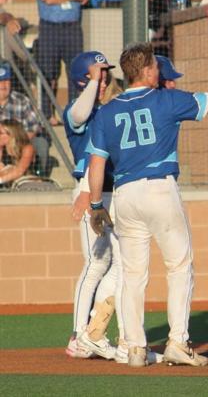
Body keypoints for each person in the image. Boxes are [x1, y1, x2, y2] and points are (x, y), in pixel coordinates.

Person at [86, 40, 208, 367]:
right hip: (160, 189)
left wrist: (97, 205)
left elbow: (97, 165)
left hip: (125, 195)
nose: (159, 70)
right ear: (145, 71)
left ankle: (134, 348)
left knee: (132, 275)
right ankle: (178, 342)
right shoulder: (165, 100)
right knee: (179, 266)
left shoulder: (107, 112)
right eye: (155, 65)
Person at [62, 51, 122, 361]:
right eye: (97, 74)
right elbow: (80, 115)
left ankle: (93, 331)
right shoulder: (75, 109)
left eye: (106, 74)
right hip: (91, 194)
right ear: (81, 79)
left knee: (121, 266)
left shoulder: (111, 109)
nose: (104, 79)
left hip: (115, 193)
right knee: (97, 264)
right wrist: (86, 191)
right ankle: (78, 335)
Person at [36, 0, 91, 124]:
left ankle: (73, 112)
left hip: (72, 27)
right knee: (48, 71)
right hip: (49, 27)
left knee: (75, 70)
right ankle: (47, 113)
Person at [0, 63, 49, 175]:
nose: (4, 85)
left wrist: (14, 140)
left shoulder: (21, 100)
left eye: (7, 81)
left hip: (21, 141)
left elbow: (34, 128)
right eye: (0, 81)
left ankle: (39, 176)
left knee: (41, 143)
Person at [0, 119, 34, 187]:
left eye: (0, 133)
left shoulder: (27, 148)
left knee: (10, 168)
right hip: (6, 181)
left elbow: (19, 171)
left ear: (12, 134)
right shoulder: (2, 148)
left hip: (26, 182)